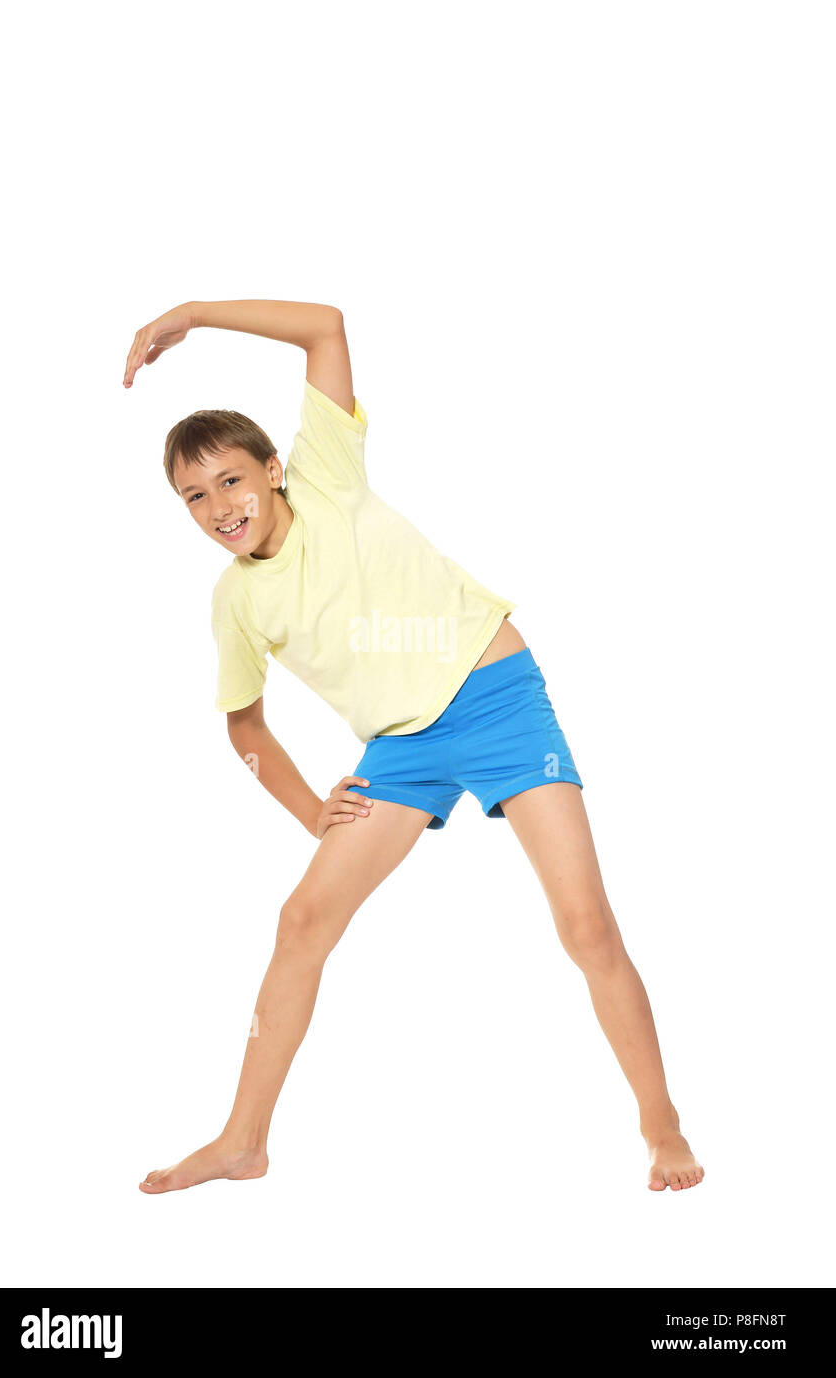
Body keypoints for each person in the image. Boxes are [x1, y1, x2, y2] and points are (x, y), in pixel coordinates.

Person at [123, 299, 704, 1194]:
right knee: (300, 921)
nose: (219, 507)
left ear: (272, 469)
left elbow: (324, 325)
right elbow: (244, 725)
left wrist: (194, 314)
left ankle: (661, 1128)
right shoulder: (234, 600)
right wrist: (312, 812)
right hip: (399, 748)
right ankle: (242, 1141)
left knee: (585, 925)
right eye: (194, 497)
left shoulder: (325, 475)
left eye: (231, 480)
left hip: (495, 700)